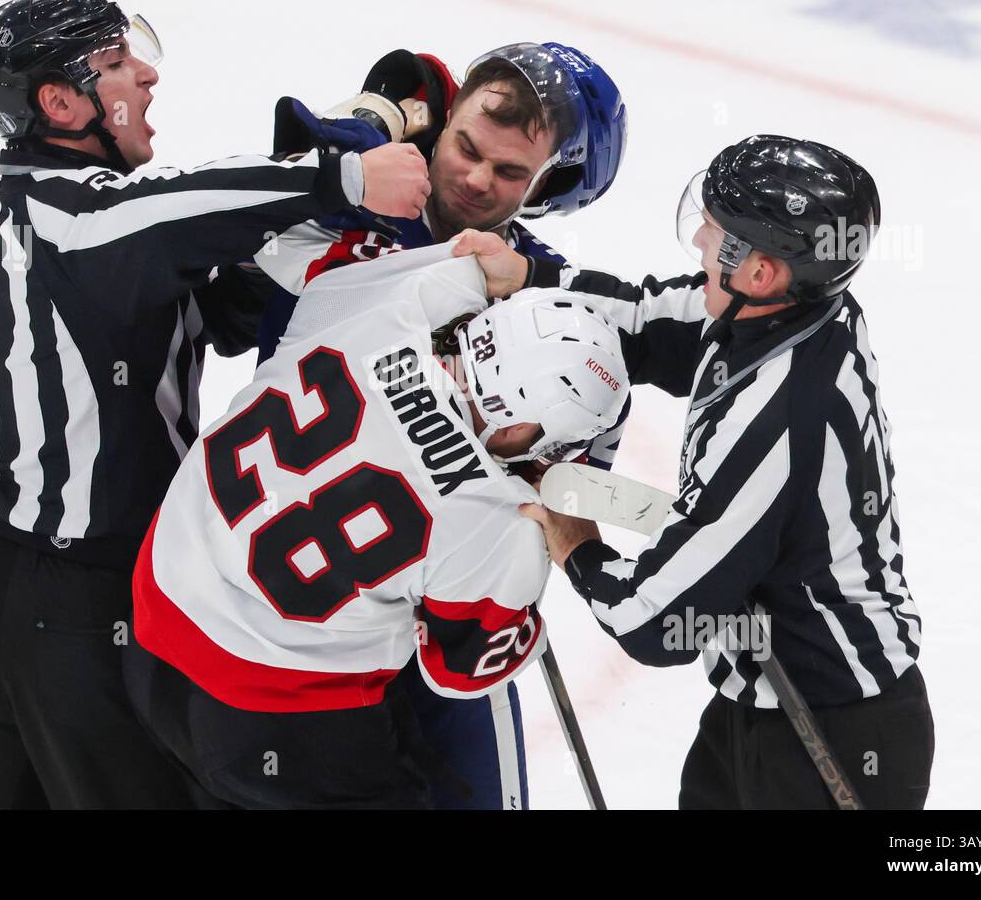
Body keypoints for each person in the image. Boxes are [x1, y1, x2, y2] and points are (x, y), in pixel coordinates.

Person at [0, 0, 430, 808]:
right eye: (116, 63)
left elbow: (212, 289)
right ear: (59, 102)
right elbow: (183, 208)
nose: (146, 76)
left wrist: (323, 204)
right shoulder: (73, 218)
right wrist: (345, 173)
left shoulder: (73, 225)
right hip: (68, 606)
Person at [478, 134, 933, 809]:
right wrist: (529, 277)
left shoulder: (780, 419)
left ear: (761, 274)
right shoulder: (802, 312)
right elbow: (648, 321)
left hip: (831, 741)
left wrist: (577, 543)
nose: (696, 239)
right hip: (759, 708)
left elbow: (657, 618)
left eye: (715, 232)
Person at [241, 42, 629, 808]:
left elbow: (586, 486)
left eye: (511, 173)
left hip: (444, 620)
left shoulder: (546, 307)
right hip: (298, 617)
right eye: (466, 149)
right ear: (442, 121)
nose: (477, 180)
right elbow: (263, 191)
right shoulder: (352, 202)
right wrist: (371, 121)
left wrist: (556, 481)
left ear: (548, 185)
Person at [127, 241, 631, 808]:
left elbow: (463, 270)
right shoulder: (501, 526)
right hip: (278, 722)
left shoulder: (399, 304)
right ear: (526, 429)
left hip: (153, 629)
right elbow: (459, 673)